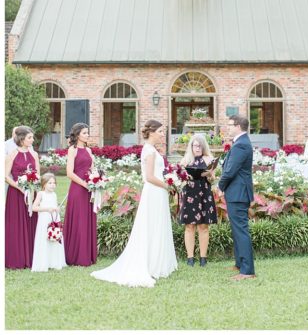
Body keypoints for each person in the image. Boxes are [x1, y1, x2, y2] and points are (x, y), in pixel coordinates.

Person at [91, 120, 178, 287]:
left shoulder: (151, 149)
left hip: (156, 192)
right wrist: (168, 185)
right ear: (151, 132)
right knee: (152, 225)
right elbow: (150, 177)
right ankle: (151, 264)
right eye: (160, 131)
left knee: (157, 225)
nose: (162, 134)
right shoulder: (150, 151)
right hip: (154, 191)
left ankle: (157, 262)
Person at [217, 114, 255, 280]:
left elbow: (231, 170)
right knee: (237, 229)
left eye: (230, 125)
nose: (228, 128)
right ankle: (239, 263)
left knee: (241, 230)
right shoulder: (240, 143)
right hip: (236, 192)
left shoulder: (241, 145)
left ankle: (247, 271)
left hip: (238, 193)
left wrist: (220, 186)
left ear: (238, 126)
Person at [179, 133, 217, 266]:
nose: (198, 148)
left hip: (204, 193)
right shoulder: (186, 159)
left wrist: (210, 174)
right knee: (189, 226)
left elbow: (213, 179)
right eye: (195, 145)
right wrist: (185, 176)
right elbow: (179, 177)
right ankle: (190, 258)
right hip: (189, 194)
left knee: (203, 226)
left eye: (200, 145)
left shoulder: (209, 159)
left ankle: (203, 258)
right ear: (191, 146)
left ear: (204, 146)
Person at [5, 126, 39, 269]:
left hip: (31, 193)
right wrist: (19, 187)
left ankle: (32, 257)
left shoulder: (35, 154)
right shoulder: (12, 154)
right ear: (21, 139)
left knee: (31, 222)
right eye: (29, 137)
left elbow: (37, 175)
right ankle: (17, 258)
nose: (32, 140)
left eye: (32, 137)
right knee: (16, 225)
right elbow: (5, 176)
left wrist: (33, 189)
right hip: (16, 194)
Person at [63, 123, 98, 266]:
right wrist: (85, 184)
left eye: (88, 132)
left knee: (87, 219)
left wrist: (96, 181)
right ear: (77, 135)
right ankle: (75, 256)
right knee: (78, 220)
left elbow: (92, 170)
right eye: (84, 133)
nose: (87, 135)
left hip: (89, 189)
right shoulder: (73, 149)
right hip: (78, 190)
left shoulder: (89, 151)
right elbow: (69, 173)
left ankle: (87, 254)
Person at [31, 172, 67, 272]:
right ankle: (44, 262)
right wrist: (47, 209)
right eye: (50, 183)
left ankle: (54, 262)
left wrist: (57, 209)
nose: (53, 185)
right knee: (45, 239)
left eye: (54, 183)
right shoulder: (40, 194)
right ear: (44, 184)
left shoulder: (54, 194)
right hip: (44, 220)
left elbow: (55, 205)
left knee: (55, 239)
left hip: (54, 219)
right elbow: (34, 208)